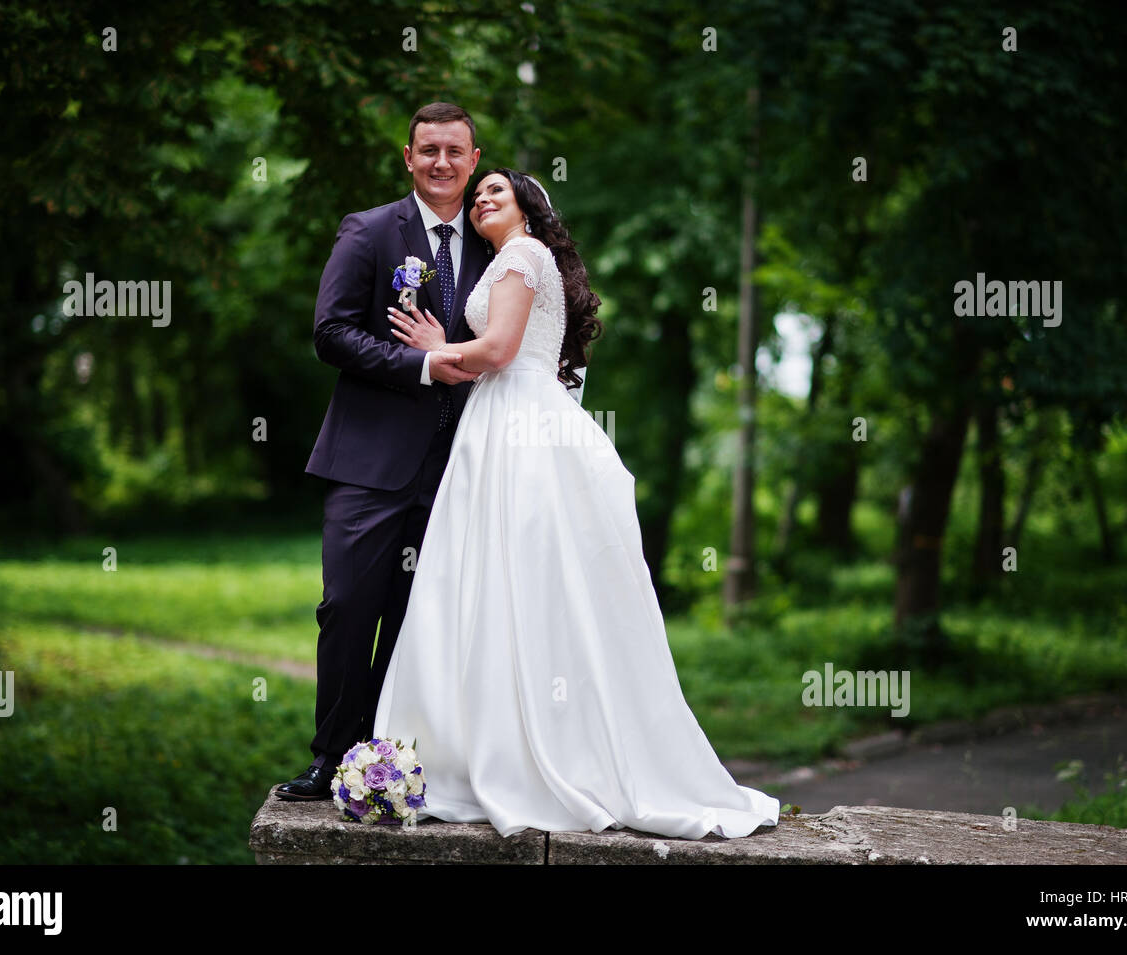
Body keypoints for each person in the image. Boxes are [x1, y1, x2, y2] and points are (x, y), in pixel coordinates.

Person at [372, 167, 783, 838]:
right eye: (477, 196)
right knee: (505, 577)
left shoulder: (524, 255)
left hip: (516, 424)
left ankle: (516, 753)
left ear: (528, 207)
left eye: (495, 191)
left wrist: (435, 346)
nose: (481, 200)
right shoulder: (513, 260)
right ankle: (491, 744)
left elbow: (501, 350)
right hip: (506, 421)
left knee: (508, 573)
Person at [274, 103, 489, 800]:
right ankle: (330, 753)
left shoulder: (493, 246)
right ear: (408, 157)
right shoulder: (368, 231)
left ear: (474, 159)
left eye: (454, 151)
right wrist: (424, 365)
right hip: (367, 466)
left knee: (417, 616)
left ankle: (393, 765)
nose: (441, 163)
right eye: (428, 150)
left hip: (457, 468)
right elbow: (330, 332)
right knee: (347, 607)